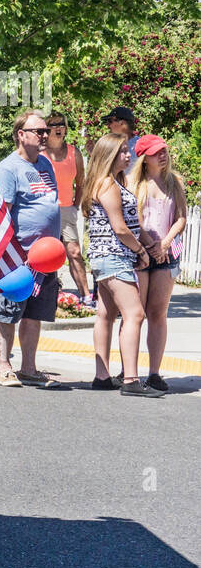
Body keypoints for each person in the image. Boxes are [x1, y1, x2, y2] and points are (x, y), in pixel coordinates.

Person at [82, 133, 161, 396]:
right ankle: (131, 380)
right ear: (110, 155)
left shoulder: (112, 182)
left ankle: (102, 376)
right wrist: (141, 250)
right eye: (124, 152)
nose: (129, 156)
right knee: (135, 314)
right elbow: (120, 228)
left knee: (106, 314)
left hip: (107, 257)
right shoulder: (107, 184)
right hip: (114, 257)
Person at [0, 110, 61, 388]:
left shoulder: (44, 163)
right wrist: (12, 254)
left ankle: (28, 368)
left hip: (46, 258)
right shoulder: (8, 169)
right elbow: (2, 214)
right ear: (21, 135)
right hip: (18, 258)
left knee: (35, 313)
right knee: (8, 311)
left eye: (46, 131)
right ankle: (4, 366)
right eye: (38, 131)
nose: (45, 135)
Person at [128, 134, 187, 393]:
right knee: (135, 313)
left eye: (163, 150)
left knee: (158, 314)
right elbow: (133, 219)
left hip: (166, 253)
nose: (162, 155)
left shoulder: (174, 182)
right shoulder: (134, 183)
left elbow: (181, 218)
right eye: (155, 152)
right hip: (140, 253)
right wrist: (149, 245)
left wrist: (164, 243)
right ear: (144, 158)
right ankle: (128, 370)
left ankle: (154, 371)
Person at [40, 111, 91, 304]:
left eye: (61, 124)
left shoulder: (73, 153)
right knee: (46, 254)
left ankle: (86, 296)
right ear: (46, 129)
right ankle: (44, 296)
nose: (58, 128)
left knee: (75, 252)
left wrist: (74, 206)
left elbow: (81, 182)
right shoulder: (40, 152)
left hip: (66, 210)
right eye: (53, 124)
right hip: (45, 211)